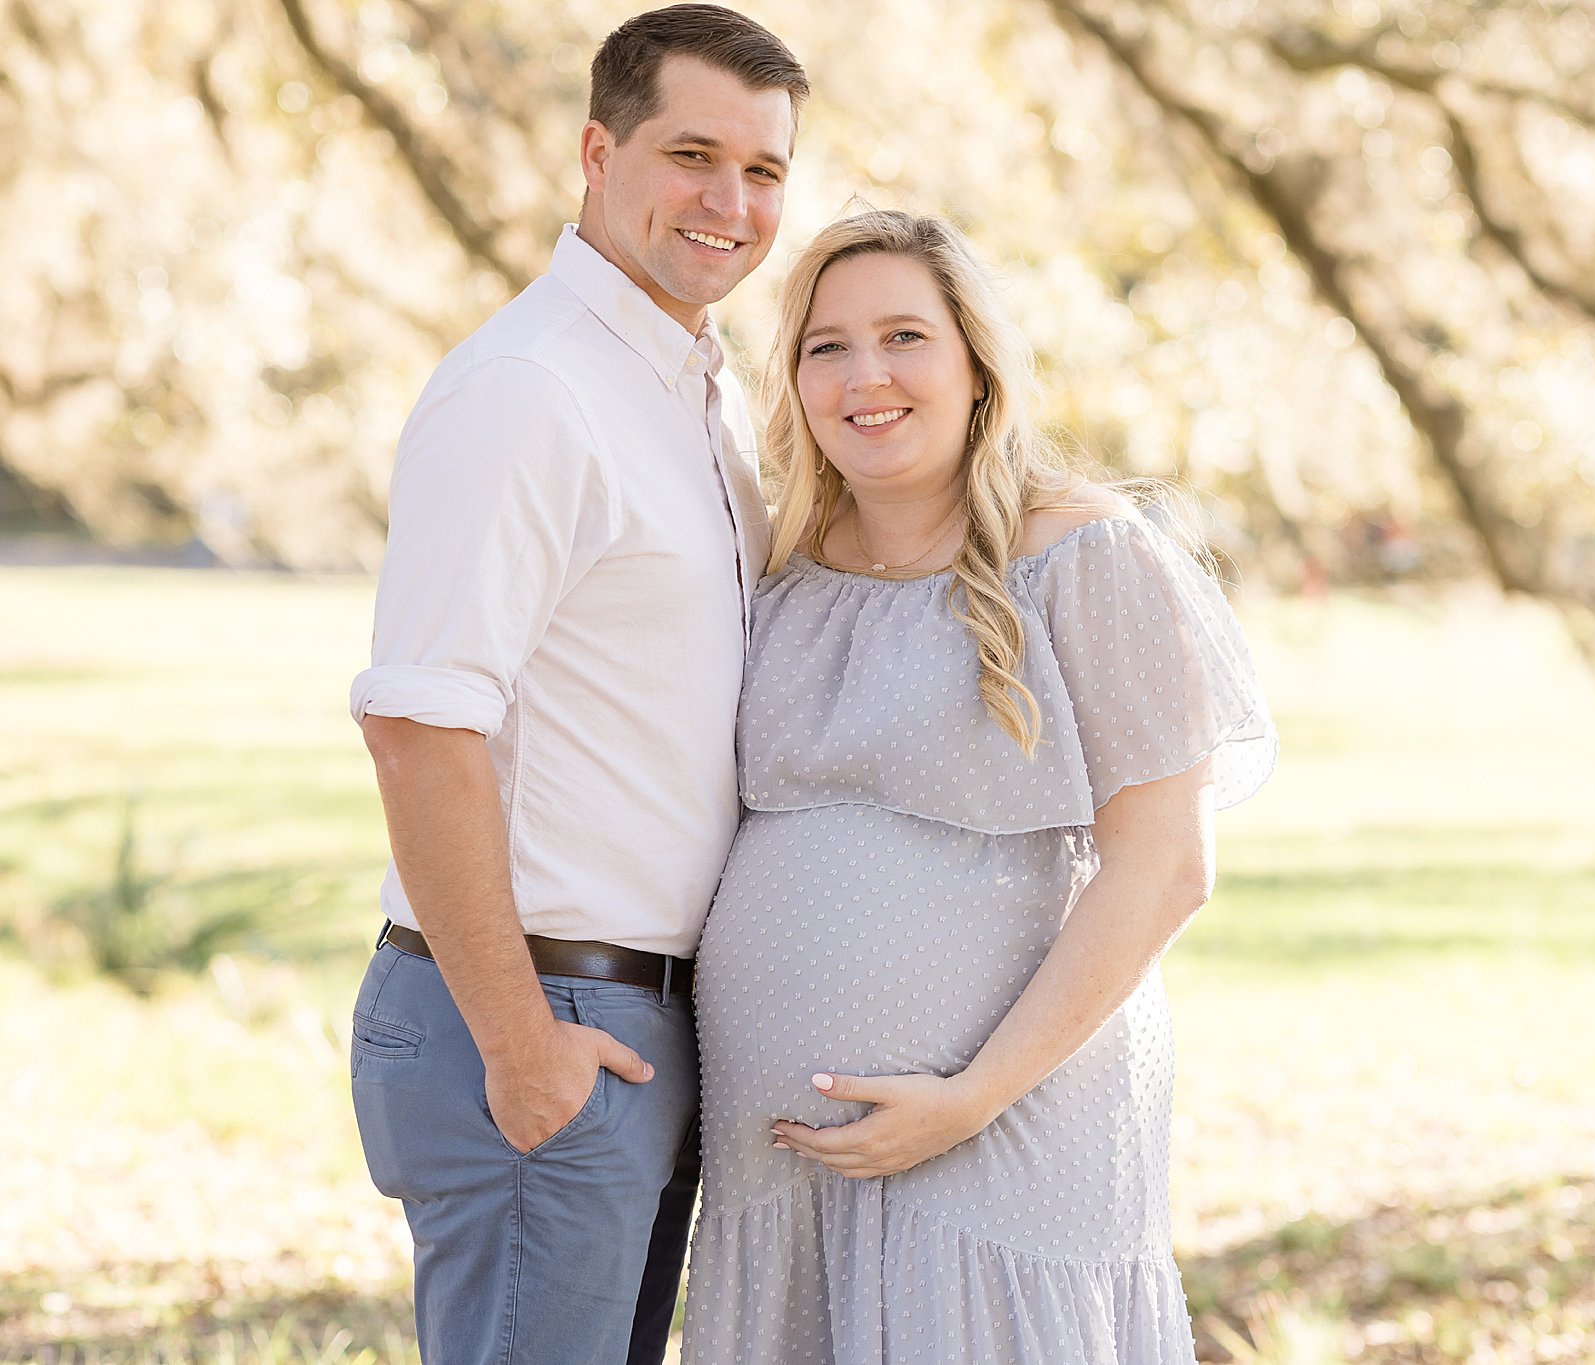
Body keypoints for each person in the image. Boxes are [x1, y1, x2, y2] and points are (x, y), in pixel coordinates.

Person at [679, 209, 1278, 1363]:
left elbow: (1165, 866)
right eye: (826, 347)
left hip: (1011, 1119)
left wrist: (973, 1095)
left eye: (904, 337)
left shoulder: (1085, 553)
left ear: (975, 362)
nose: (866, 376)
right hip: (779, 1168)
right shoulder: (778, 568)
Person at [342, 8, 805, 1363]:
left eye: (764, 171)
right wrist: (520, 1042)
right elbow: (420, 727)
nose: (729, 203)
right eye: (692, 156)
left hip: (638, 1020)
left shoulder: (694, 393)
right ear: (598, 155)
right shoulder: (529, 390)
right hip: (538, 1009)